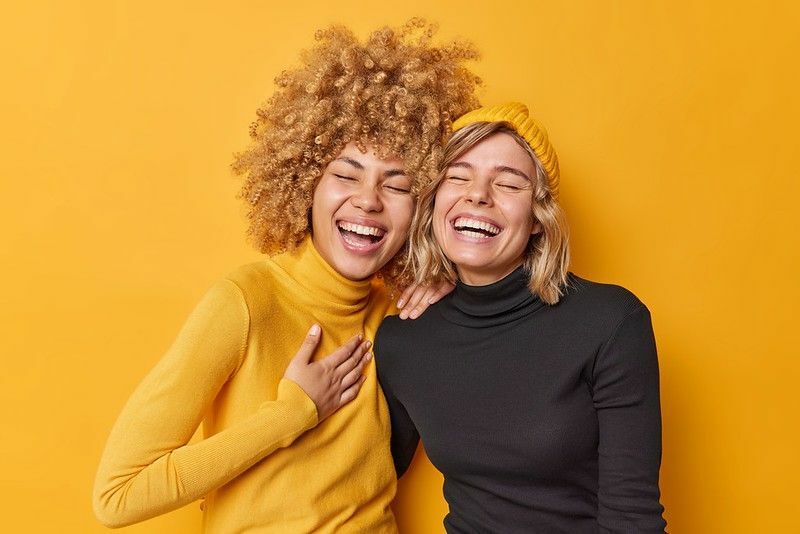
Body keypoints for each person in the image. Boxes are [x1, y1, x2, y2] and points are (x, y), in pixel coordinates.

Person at [92, 19, 479, 533]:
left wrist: (452, 292)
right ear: (304, 185)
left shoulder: (400, 315)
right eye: (345, 174)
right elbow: (118, 496)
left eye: (399, 185)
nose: (368, 199)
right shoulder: (245, 302)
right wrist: (292, 411)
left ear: (423, 206)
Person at [375, 102, 668, 533]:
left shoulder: (610, 323)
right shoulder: (403, 337)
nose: (478, 194)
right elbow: (363, 477)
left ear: (536, 218)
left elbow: (632, 519)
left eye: (509, 184)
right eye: (458, 176)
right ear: (434, 202)